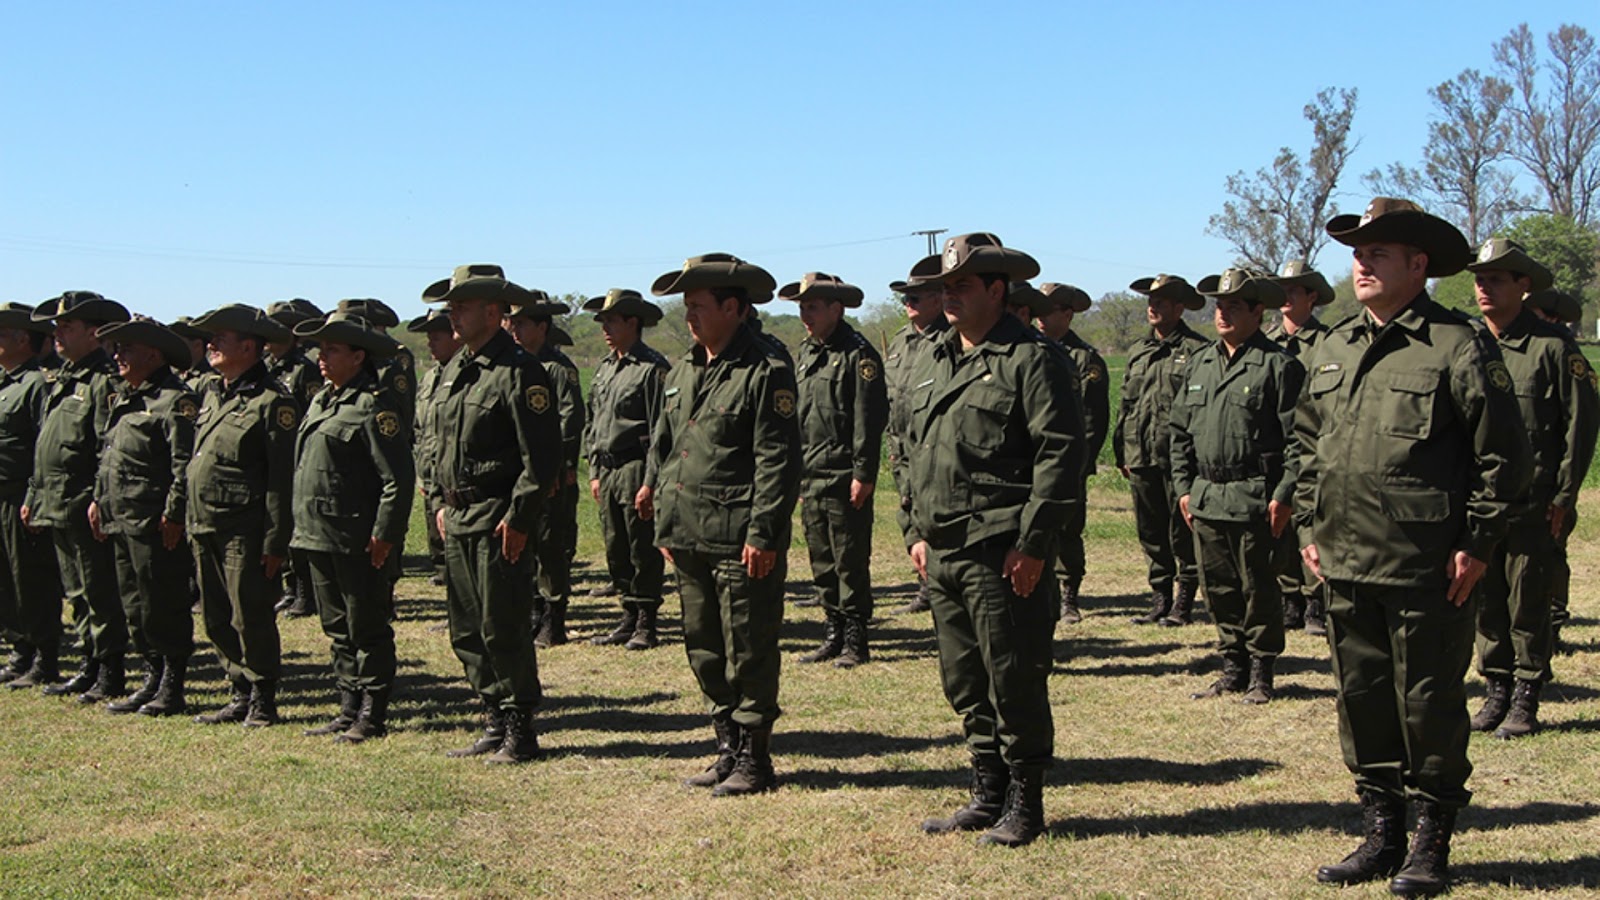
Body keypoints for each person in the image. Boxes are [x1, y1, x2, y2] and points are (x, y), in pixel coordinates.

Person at [1298, 198, 1529, 896]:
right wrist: (1309, 527)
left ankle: (1431, 840)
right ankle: (1381, 832)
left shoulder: (1457, 344)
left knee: (1427, 703)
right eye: (1357, 253)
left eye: (1378, 252)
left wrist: (1478, 542)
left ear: (1418, 264)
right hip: (1344, 559)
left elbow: (1502, 456)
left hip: (1427, 563)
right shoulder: (1334, 345)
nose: (1361, 264)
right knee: (1362, 699)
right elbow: (1307, 445)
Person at [903, 233, 1083, 847]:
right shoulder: (933, 357)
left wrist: (1033, 545)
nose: (949, 296)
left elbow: (1060, 459)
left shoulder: (1032, 359)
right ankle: (988, 792)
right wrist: (914, 530)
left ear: (997, 290)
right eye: (944, 287)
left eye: (962, 285)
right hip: (944, 549)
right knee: (965, 681)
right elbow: (912, 449)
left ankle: (1025, 803)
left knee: (1014, 678)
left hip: (1001, 551)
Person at [640, 252, 801, 797]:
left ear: (733, 308)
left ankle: (755, 758)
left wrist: (763, 533)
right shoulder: (684, 368)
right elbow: (667, 448)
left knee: (748, 646)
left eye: (698, 306)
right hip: (688, 531)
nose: (688, 315)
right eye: (686, 306)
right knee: (703, 645)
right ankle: (726, 746)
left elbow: (777, 460)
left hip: (738, 535)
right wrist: (664, 520)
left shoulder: (766, 369)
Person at [1463, 238, 1598, 739]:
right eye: (1480, 279)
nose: (1484, 288)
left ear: (1523, 286)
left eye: (1496, 280)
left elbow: (1580, 427)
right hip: (1481, 502)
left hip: (1534, 502)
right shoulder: (1469, 345)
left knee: (1528, 600)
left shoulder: (1553, 347)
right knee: (1486, 600)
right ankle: (1496, 687)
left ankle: (1526, 694)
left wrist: (1564, 495)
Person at [430, 265, 559, 764]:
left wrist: (520, 518)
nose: (452, 316)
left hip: (496, 518)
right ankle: (493, 717)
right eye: (451, 307)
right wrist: (440, 502)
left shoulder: (520, 371)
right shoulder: (455, 370)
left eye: (461, 307)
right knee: (466, 630)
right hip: (459, 515)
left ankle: (520, 727)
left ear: (492, 311)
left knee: (501, 625)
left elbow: (540, 460)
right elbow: (440, 446)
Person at [1170, 269, 1303, 704]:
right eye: (1219, 306)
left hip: (1255, 497)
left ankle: (1262, 672)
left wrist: (1284, 495)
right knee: (1219, 588)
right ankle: (1233, 666)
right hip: (1208, 496)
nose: (1222, 314)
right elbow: (1179, 432)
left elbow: (1300, 440)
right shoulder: (1201, 364)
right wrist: (1184, 488)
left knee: (1258, 588)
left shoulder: (1278, 366)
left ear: (1257, 312)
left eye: (1233, 306)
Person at [290, 312, 415, 743]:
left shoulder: (374, 406)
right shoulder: (323, 401)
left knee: (366, 627)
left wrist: (385, 534)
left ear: (358, 356)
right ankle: (348, 707)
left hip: (356, 536)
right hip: (318, 532)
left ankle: (372, 713)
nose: (321, 358)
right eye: (320, 350)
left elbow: (397, 479)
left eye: (332, 350)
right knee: (337, 627)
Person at [186, 304, 300, 727]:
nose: (211, 344)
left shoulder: (273, 401)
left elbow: (281, 478)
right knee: (216, 616)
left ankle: (263, 697)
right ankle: (239, 690)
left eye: (222, 338)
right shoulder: (214, 393)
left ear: (249, 347)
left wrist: (275, 540)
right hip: (205, 522)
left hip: (244, 529)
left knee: (249, 614)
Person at [25, 291, 131, 702]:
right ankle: (89, 663)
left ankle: (110, 670)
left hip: (84, 504)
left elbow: (108, 448)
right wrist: (33, 495)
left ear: (94, 333)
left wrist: (100, 500)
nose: (57, 334)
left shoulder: (103, 382)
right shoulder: (64, 380)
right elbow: (45, 445)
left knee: (99, 592)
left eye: (67, 327)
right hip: (56, 501)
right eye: (57, 327)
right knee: (77, 592)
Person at [90, 318, 199, 717]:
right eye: (117, 348)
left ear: (153, 354)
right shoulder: (126, 398)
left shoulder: (174, 400)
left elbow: (184, 465)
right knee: (134, 605)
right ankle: (151, 678)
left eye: (127, 349)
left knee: (162, 603)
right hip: (121, 517)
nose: (118, 356)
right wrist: (98, 500)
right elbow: (108, 455)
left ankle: (171, 685)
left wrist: (174, 513)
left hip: (154, 522)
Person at [786, 272, 888, 668]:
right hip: (812, 473)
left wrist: (864, 474)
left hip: (844, 475)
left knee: (849, 559)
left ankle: (856, 639)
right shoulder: (807, 353)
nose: (805, 315)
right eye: (802, 308)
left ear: (836, 309)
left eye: (812, 307)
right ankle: (833, 631)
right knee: (821, 558)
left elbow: (868, 420)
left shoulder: (859, 356)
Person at [1115, 274, 1208, 626]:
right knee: (1150, 531)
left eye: (1162, 302)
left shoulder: (1198, 351)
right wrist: (1122, 451)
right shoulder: (1139, 351)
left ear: (1179, 308)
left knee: (1182, 531)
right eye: (1150, 302)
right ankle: (1160, 597)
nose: (1153, 308)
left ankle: (1184, 602)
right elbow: (1125, 406)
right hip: (1141, 455)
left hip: (1179, 459)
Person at [582, 288, 671, 651]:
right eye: (602, 322)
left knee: (641, 546)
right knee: (616, 546)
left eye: (612, 321)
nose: (605, 329)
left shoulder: (652, 369)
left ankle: (647, 621)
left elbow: (661, 431)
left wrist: (650, 482)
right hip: (608, 469)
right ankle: (628, 615)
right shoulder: (605, 368)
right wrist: (593, 470)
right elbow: (592, 422)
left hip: (636, 466)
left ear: (633, 322)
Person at [503, 292, 584, 648]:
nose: (514, 330)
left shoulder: (557, 368)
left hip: (550, 475)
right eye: (513, 323)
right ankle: (534, 611)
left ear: (542, 327)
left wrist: (557, 466)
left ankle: (554, 619)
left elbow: (570, 420)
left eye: (522, 324)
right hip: (523, 474)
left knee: (551, 545)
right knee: (528, 543)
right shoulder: (515, 366)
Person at [1264, 261, 1336, 636]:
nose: (1286, 297)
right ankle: (1288, 595)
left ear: (1312, 297)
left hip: (1314, 447)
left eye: (1294, 290)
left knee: (1311, 520)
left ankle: (1315, 601)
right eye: (1282, 290)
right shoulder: (1267, 342)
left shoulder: (1328, 343)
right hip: (1275, 448)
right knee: (1279, 524)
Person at [0, 303, 65, 688]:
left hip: (20, 495)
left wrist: (34, 497)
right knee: (5, 580)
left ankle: (45, 656)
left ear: (23, 339)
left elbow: (44, 446)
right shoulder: (6, 383)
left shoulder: (36, 385)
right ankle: (20, 649)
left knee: (30, 579)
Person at [1037, 283, 1109, 624]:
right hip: (1037, 460)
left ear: (1067, 314)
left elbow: (1093, 420)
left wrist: (1078, 463)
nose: (1040, 317)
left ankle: (1069, 595)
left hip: (1069, 461)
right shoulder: (1032, 350)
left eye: (1048, 310)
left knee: (1067, 529)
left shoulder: (1084, 359)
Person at [1521, 288, 1588, 652]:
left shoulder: (1562, 353)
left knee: (1549, 556)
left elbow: (1579, 428)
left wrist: (1565, 489)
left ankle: (1553, 623)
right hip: (1516, 483)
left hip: (1549, 481)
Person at [884, 260, 948, 617]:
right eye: (905, 298)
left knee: (933, 515)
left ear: (937, 299)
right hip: (901, 447)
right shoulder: (900, 341)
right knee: (909, 514)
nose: (908, 303)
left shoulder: (948, 339)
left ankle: (939, 586)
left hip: (931, 446)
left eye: (915, 297)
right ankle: (924, 584)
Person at [265, 298, 326, 619]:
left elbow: (312, 414)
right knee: (280, 529)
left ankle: (305, 592)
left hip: (298, 458)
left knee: (299, 530)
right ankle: (289, 588)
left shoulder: (304, 369)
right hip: (274, 458)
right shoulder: (266, 368)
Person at [407, 302, 460, 588]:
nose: (430, 344)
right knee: (433, 526)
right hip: (429, 469)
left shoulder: (463, 374)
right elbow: (419, 427)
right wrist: (421, 471)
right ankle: (443, 572)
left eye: (436, 338)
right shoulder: (428, 378)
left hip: (452, 472)